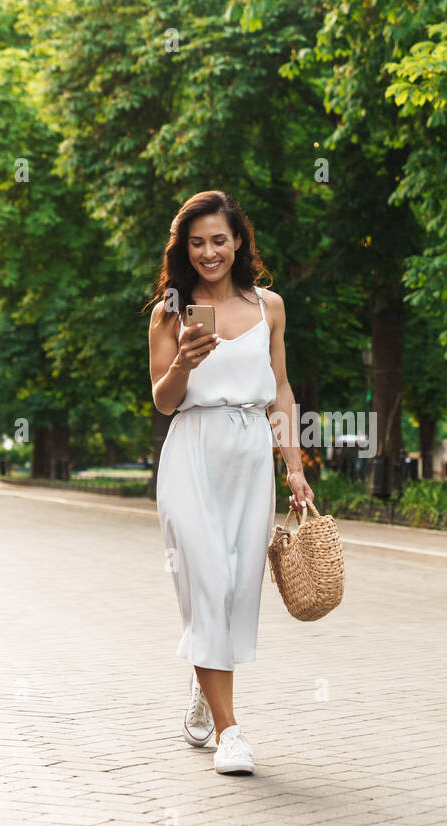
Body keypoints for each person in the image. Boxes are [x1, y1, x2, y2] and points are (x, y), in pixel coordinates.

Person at [146, 190, 314, 776]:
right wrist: (183, 364)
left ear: (238, 241)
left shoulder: (270, 307)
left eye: (219, 239)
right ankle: (231, 734)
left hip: (250, 459)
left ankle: (204, 683)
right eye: (196, 242)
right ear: (183, 248)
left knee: (239, 589)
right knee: (206, 580)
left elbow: (283, 390)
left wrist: (293, 465)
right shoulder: (170, 312)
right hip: (192, 451)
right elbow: (164, 402)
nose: (209, 252)